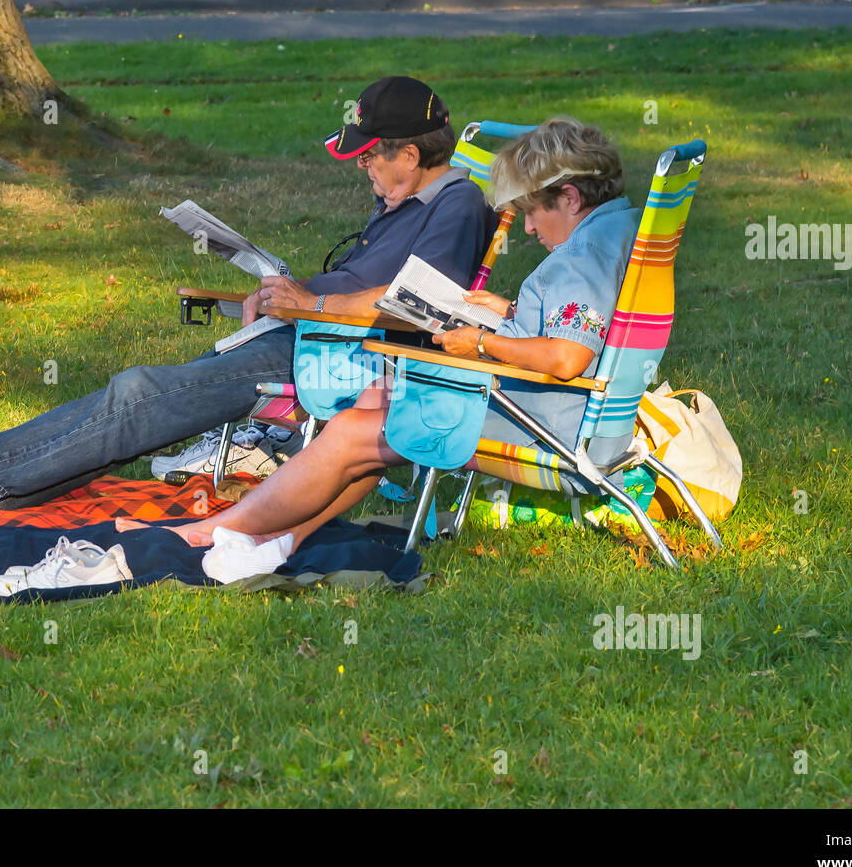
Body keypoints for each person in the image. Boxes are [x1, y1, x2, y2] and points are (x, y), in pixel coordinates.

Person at [0, 76, 496, 514]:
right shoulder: (402, 198)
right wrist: (285, 293)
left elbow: (420, 305)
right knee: (142, 401)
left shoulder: (457, 204)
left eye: (369, 159)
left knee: (140, 393)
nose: (363, 169)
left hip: (348, 356)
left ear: (410, 154)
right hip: (309, 334)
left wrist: (308, 305)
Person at [120, 116, 640, 582]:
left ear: (570, 197)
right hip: (552, 408)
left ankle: (218, 527)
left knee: (352, 427)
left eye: (532, 212)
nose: (526, 228)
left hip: (538, 418)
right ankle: (281, 537)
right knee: (373, 399)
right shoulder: (613, 230)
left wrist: (480, 340)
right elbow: (573, 329)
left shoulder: (581, 256)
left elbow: (567, 358)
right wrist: (510, 314)